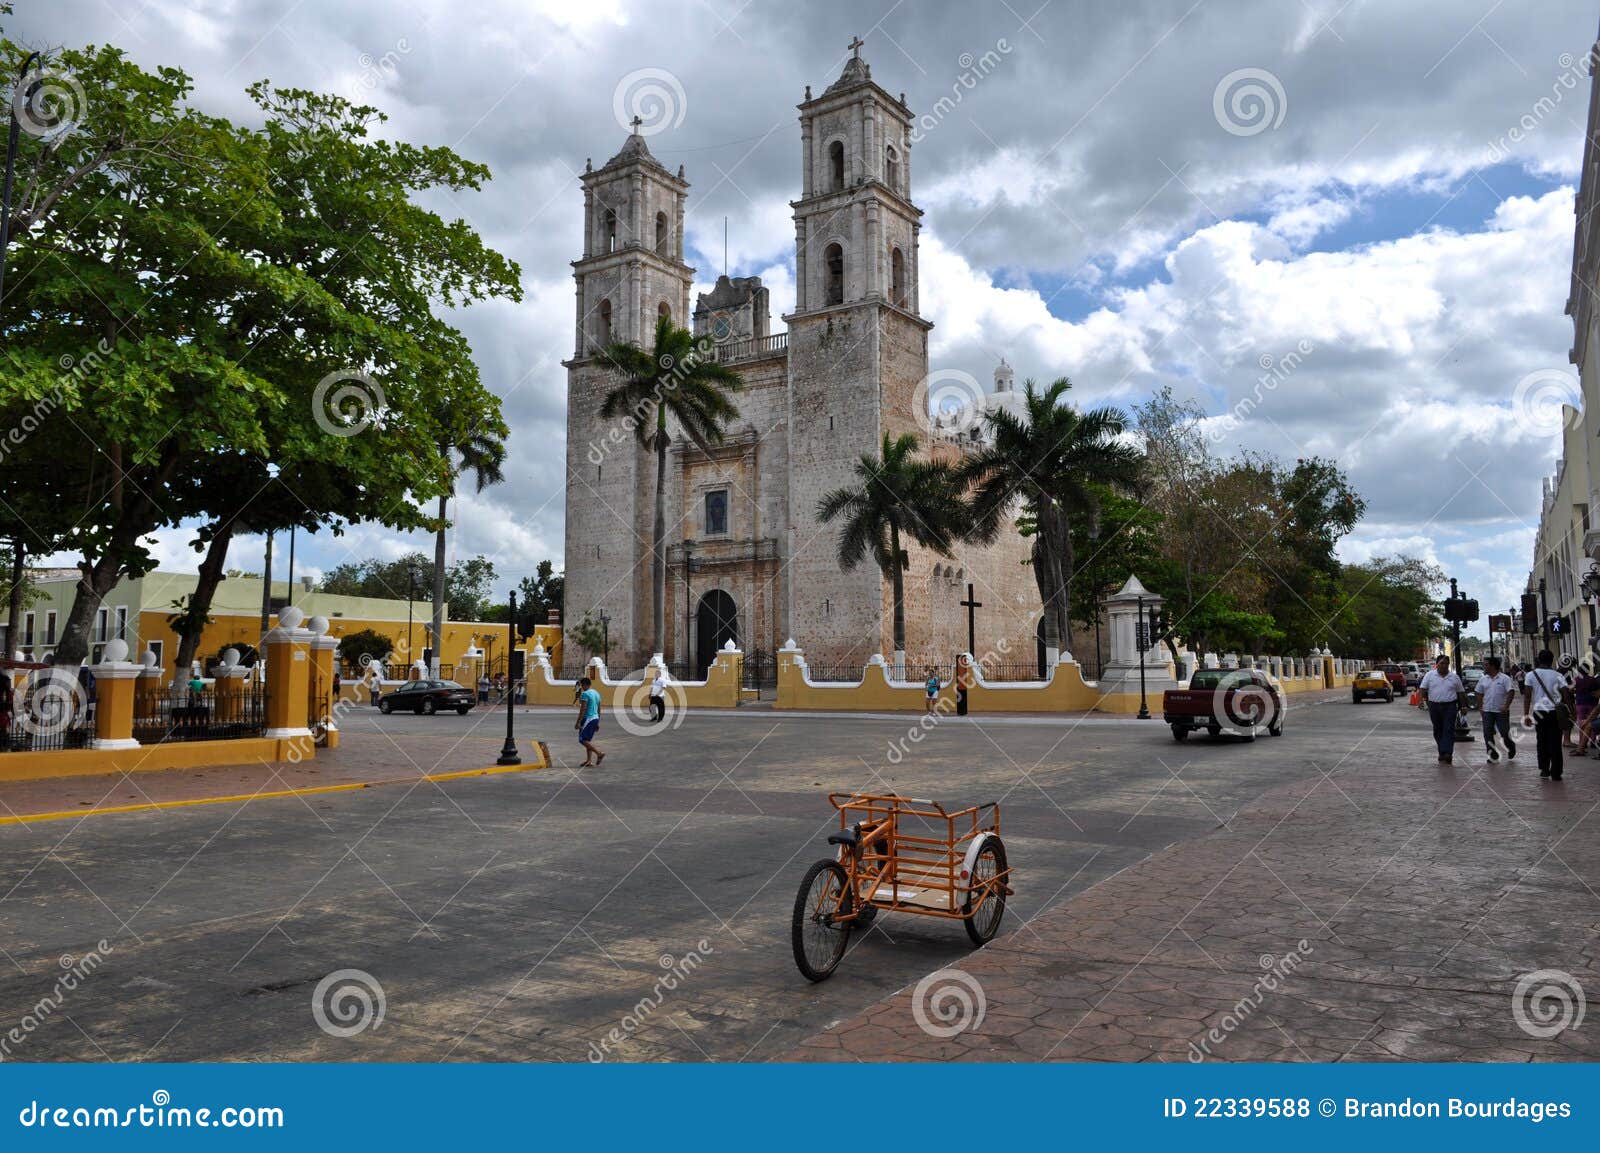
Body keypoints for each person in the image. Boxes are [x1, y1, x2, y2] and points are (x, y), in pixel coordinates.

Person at [1522, 649, 1568, 781]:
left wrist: (1526, 715)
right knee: (1555, 741)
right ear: (1552, 660)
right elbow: (1566, 694)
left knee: (1541, 740)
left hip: (1539, 711)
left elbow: (1527, 696)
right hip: (1554, 712)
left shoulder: (1530, 675)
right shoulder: (1558, 675)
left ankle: (1544, 769)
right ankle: (1556, 772)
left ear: (1538, 660)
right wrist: (1571, 710)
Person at [1417, 654, 1466, 764]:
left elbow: (1461, 693)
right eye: (1441, 663)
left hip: (1450, 706)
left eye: (1446, 663)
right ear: (1437, 664)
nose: (1444, 666)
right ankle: (1442, 752)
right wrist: (1421, 701)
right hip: (1434, 705)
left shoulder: (1454, 677)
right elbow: (1423, 689)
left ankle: (1448, 752)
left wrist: (1463, 706)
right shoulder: (1430, 675)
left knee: (1448, 729)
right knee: (1438, 729)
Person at [1476, 656, 1517, 763]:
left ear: (1493, 666)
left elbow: (1511, 692)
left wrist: (1506, 706)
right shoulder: (1483, 679)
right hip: (1487, 711)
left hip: (1501, 711)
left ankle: (1510, 746)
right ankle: (1492, 755)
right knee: (1487, 733)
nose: (1484, 667)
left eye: (1486, 665)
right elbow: (1479, 692)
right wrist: (1480, 707)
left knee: (1504, 732)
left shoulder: (1504, 679)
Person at [1572, 659, 1600, 755]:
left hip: (1580, 703)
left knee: (1582, 723)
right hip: (1592, 703)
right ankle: (1592, 741)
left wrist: (1577, 691)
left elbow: (1571, 689)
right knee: (1592, 721)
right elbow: (1597, 690)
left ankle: (1582, 742)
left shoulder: (1576, 679)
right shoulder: (1593, 680)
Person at [575, 676, 604, 766]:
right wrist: (597, 722)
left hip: (588, 718)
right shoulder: (596, 693)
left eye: (581, 685)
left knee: (582, 740)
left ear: (584, 685)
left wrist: (578, 722)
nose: (581, 687)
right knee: (587, 740)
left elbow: (583, 709)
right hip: (595, 718)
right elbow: (599, 709)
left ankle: (599, 753)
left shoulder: (585, 694)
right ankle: (589, 760)